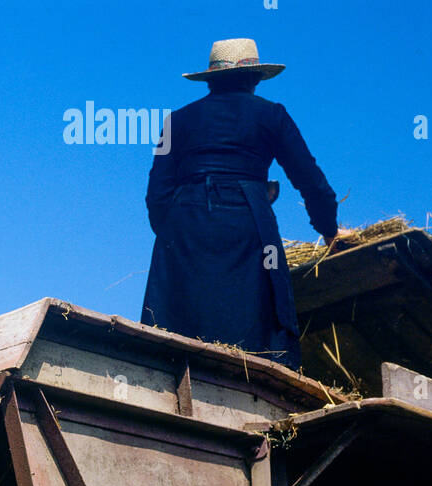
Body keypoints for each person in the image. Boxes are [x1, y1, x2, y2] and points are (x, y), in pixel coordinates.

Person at [141, 38, 338, 372]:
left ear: (211, 79)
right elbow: (310, 180)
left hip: (184, 221)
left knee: (179, 320)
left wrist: (176, 235)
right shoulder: (271, 115)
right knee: (253, 319)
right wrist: (329, 228)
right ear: (255, 78)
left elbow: (156, 194)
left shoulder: (176, 121)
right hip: (248, 218)